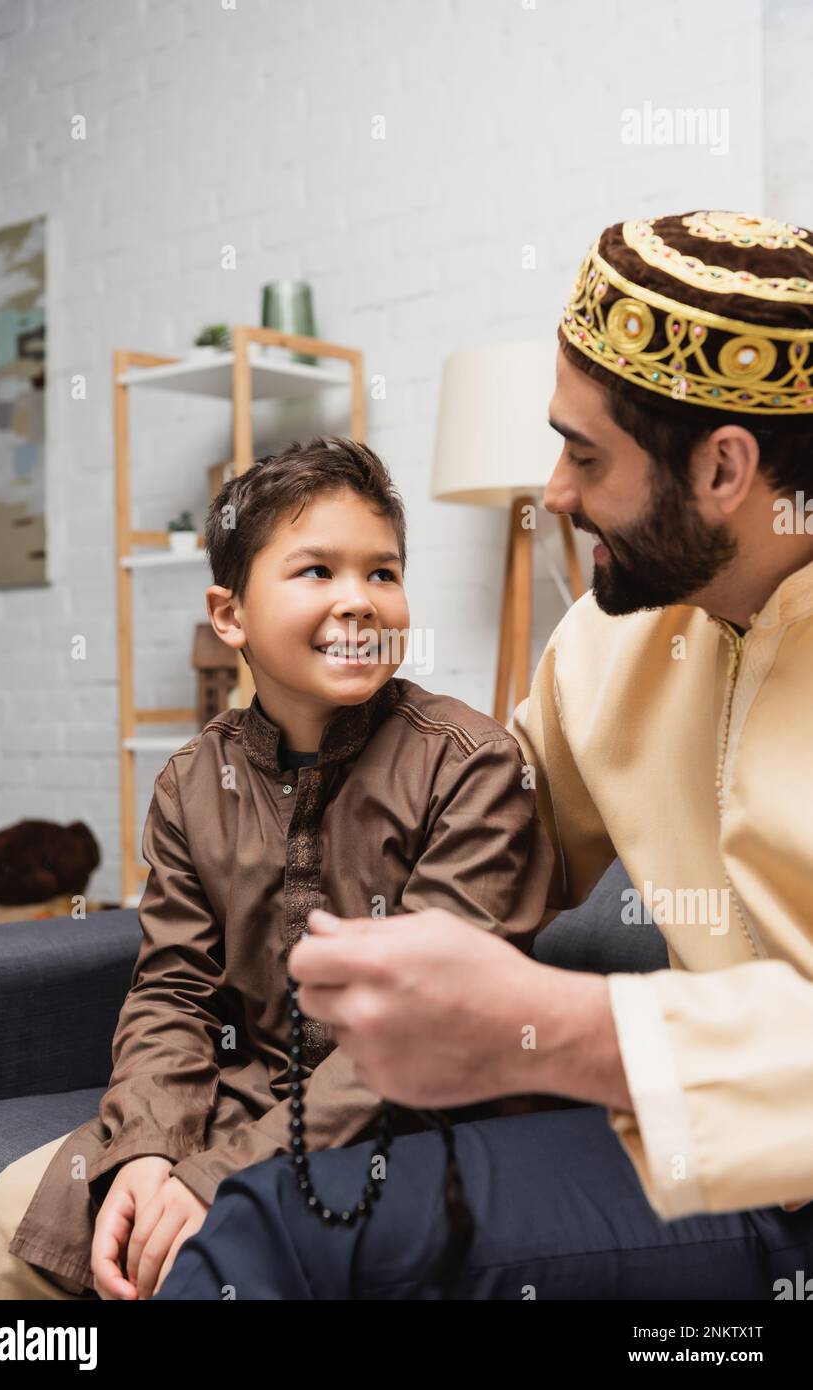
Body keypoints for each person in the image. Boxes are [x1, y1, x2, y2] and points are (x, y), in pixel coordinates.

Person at [152, 211, 813, 1300]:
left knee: (290, 1233)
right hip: (696, 1148)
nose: (554, 491)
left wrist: (560, 1030)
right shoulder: (610, 642)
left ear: (724, 467)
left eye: (586, 453)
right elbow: (485, 836)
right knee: (277, 1207)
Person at [0, 435, 553, 1300]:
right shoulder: (190, 783)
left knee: (196, 1257)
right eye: (316, 570)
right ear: (229, 614)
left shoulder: (469, 765)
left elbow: (421, 1025)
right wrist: (147, 1150)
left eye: (383, 572)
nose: (358, 600)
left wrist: (217, 1178)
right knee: (18, 1216)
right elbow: (173, 994)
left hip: (421, 1118)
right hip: (237, 1104)